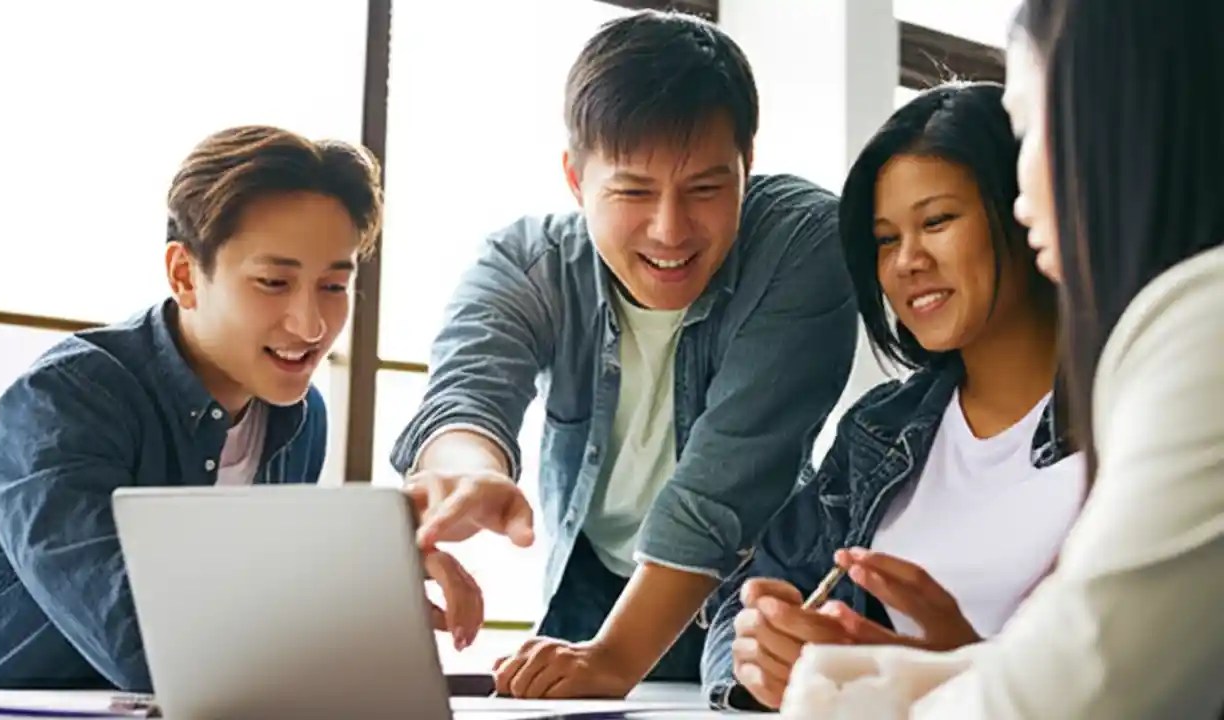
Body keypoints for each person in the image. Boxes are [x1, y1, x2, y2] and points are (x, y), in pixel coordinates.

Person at [391, 10, 858, 698]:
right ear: (576, 180)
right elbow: (468, 392)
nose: (670, 231)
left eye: (705, 188)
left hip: (754, 588)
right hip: (594, 590)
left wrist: (613, 659)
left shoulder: (803, 242)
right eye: (633, 191)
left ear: (747, 165)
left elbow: (724, 482)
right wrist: (468, 471)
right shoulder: (528, 264)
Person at [780, 1, 1224, 717]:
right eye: (885, 239)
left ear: (1112, 118)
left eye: (1025, 129)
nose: (1023, 196)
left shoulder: (1205, 336)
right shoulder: (881, 427)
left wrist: (857, 698)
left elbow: (1086, 681)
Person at [0, 126, 483, 692]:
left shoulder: (299, 418)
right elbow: (150, 647)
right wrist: (352, 584)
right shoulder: (65, 401)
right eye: (273, 282)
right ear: (184, 275)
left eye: (332, 286)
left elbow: (250, 617)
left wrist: (376, 574)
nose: (312, 326)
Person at [702, 82, 1084, 711]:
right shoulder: (880, 430)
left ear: (1027, 212)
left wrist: (964, 673)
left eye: (936, 222)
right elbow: (745, 606)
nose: (907, 261)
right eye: (884, 240)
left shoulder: (1135, 411)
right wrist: (760, 659)